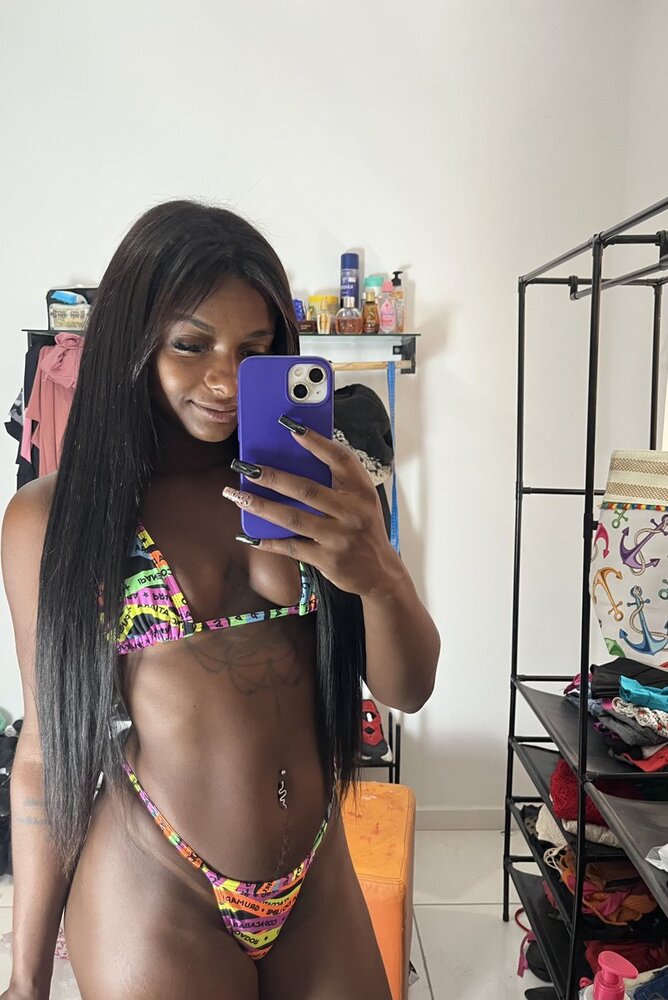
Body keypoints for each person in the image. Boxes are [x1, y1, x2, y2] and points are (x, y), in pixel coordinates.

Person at [0, 201, 440, 1000]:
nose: (224, 380)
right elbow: (42, 754)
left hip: (318, 877)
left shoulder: (321, 490)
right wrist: (25, 979)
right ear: (135, 340)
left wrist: (379, 573)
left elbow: (407, 689)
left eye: (253, 350)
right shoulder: (58, 517)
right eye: (191, 344)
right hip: (155, 884)